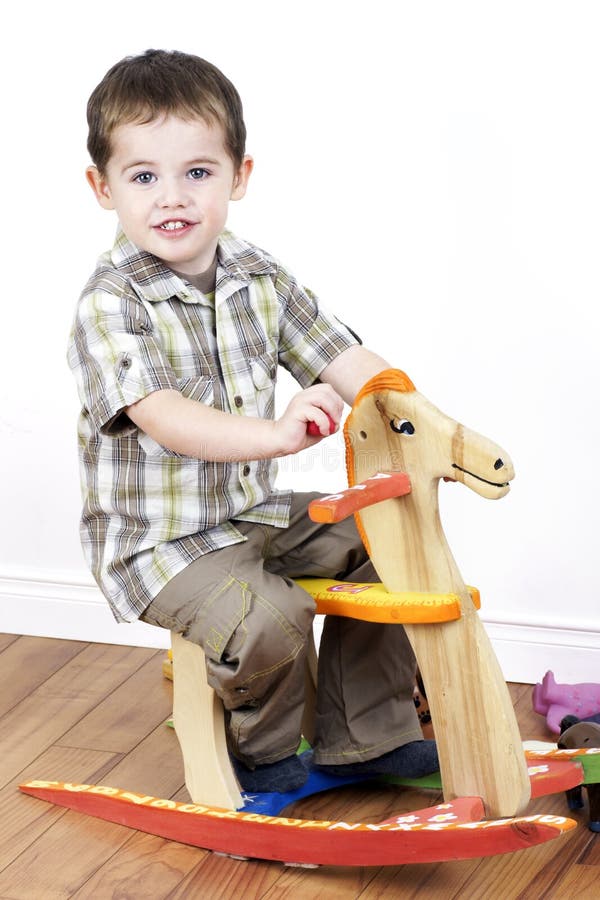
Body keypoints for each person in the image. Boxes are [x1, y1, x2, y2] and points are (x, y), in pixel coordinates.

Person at [68, 49, 438, 793]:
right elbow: (166, 417)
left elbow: (342, 357)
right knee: (271, 614)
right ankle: (262, 755)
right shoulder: (110, 304)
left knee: (386, 538)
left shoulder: (257, 276)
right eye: (144, 177)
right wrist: (275, 435)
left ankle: (367, 735)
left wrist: (425, 422)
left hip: (252, 513)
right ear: (103, 188)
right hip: (159, 546)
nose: (172, 197)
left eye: (198, 172)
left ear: (239, 176)